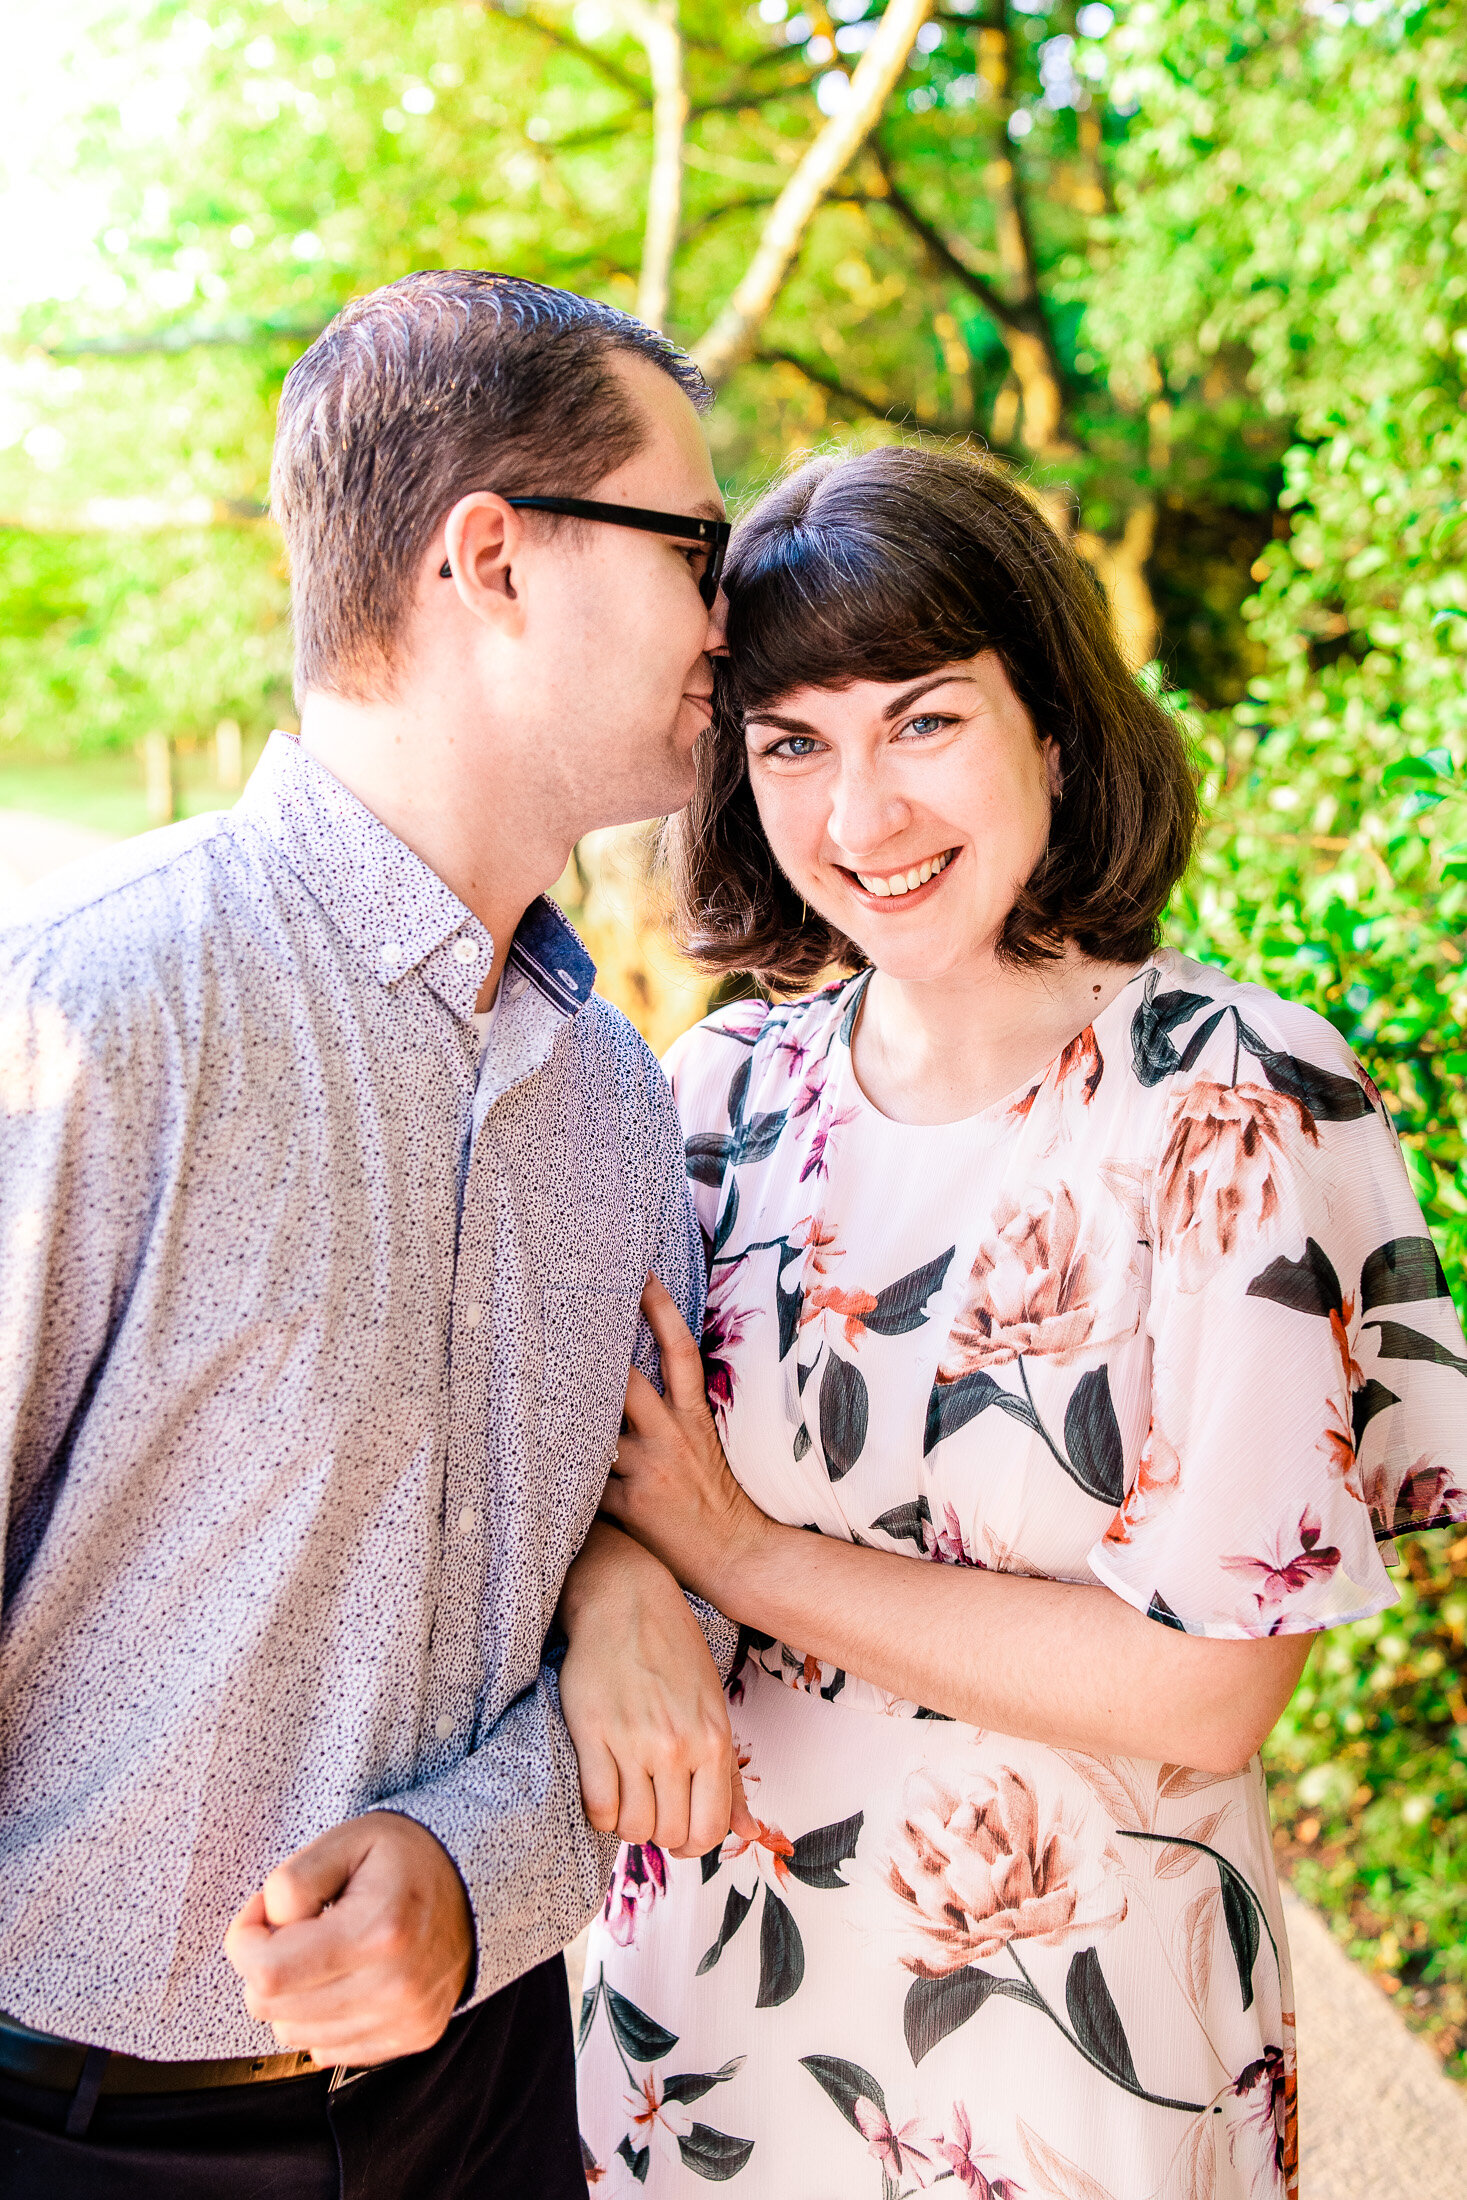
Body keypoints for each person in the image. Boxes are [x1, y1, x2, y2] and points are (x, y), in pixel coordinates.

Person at [573, 445, 1467, 2199]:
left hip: (1076, 2054)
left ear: (1051, 725)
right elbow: (601, 1488)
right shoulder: (718, 1100)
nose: (863, 819)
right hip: (709, 2042)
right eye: (792, 745)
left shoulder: (1230, 1103)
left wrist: (744, 1561)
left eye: (924, 721)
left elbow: (1206, 1690)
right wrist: (622, 1581)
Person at [0, 270, 751, 2200]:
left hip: (492, 2119)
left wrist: (478, 1870)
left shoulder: (618, 1104)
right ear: (491, 556)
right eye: (694, 546)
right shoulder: (89, 1012)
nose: (727, 622)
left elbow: (668, 1606)